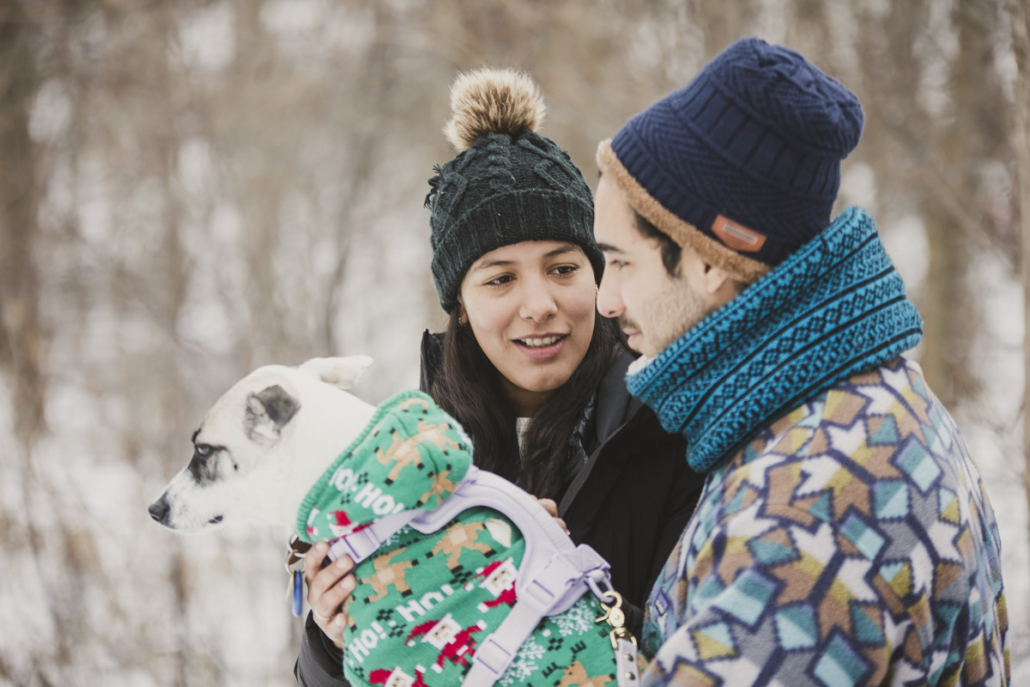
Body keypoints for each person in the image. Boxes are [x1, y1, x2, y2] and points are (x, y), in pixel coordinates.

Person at [591, 37, 1009, 686]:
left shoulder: (821, 506)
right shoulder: (842, 414)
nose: (605, 299)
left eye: (620, 262)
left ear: (708, 259)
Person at [294, 68, 705, 687]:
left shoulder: (672, 433)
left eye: (564, 268)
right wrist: (333, 643)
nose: (539, 303)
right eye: (500, 278)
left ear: (599, 276)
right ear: (459, 304)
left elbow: (712, 654)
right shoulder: (402, 466)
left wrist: (551, 583)